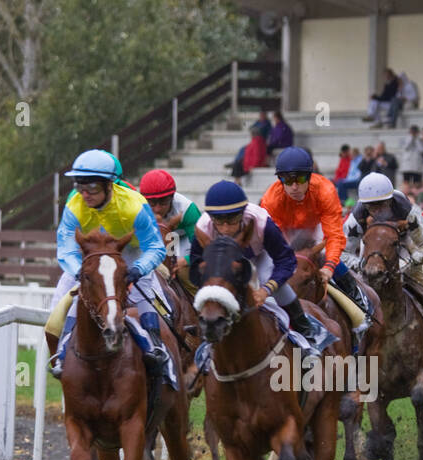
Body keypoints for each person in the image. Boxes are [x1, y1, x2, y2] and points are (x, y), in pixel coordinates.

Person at [48, 149, 174, 384]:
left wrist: (138, 270)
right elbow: (65, 249)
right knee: (56, 306)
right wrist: (79, 272)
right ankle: (60, 356)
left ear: (110, 185)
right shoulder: (74, 205)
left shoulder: (134, 206)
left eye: (92, 187)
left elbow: (156, 248)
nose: (85, 193)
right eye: (79, 186)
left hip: (130, 253)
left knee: (158, 304)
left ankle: (156, 349)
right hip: (90, 258)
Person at [191, 179, 336, 373]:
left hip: (260, 257)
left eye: (232, 220)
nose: (225, 228)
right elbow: (194, 268)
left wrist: (266, 290)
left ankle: (306, 333)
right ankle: (205, 343)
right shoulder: (203, 226)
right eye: (219, 221)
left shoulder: (261, 221)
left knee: (280, 292)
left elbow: (287, 261)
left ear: (243, 214)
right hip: (225, 266)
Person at [260, 146, 373, 335]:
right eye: (288, 180)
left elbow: (334, 236)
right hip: (286, 232)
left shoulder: (326, 190)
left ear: (310, 177)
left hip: (317, 228)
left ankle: (356, 297)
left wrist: (328, 267)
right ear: (280, 180)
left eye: (301, 179)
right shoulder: (271, 199)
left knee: (325, 257)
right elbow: (274, 240)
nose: (294, 186)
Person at [341, 172, 423, 346]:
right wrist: (361, 264)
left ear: (390, 200)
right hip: (372, 247)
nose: (377, 210)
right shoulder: (357, 216)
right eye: (371, 206)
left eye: (380, 205)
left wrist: (410, 263)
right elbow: (341, 251)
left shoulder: (407, 210)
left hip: (403, 245)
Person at [139, 169, 202, 288]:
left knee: (184, 274)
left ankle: (197, 302)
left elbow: (200, 246)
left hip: (183, 244)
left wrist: (185, 261)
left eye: (163, 202)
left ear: (172, 197)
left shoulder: (188, 209)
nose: (157, 209)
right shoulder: (138, 207)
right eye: (152, 203)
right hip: (155, 244)